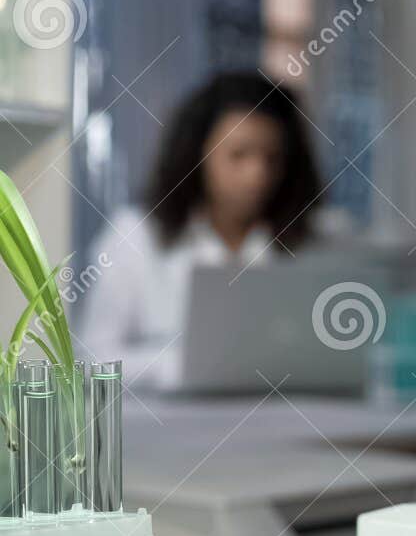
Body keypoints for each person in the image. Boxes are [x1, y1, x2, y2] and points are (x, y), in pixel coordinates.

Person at [78, 72, 326, 387]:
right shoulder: (134, 236)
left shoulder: (310, 241)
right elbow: (90, 362)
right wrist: (177, 364)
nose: (257, 176)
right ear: (197, 155)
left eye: (272, 158)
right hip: (168, 431)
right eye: (239, 155)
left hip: (291, 423)